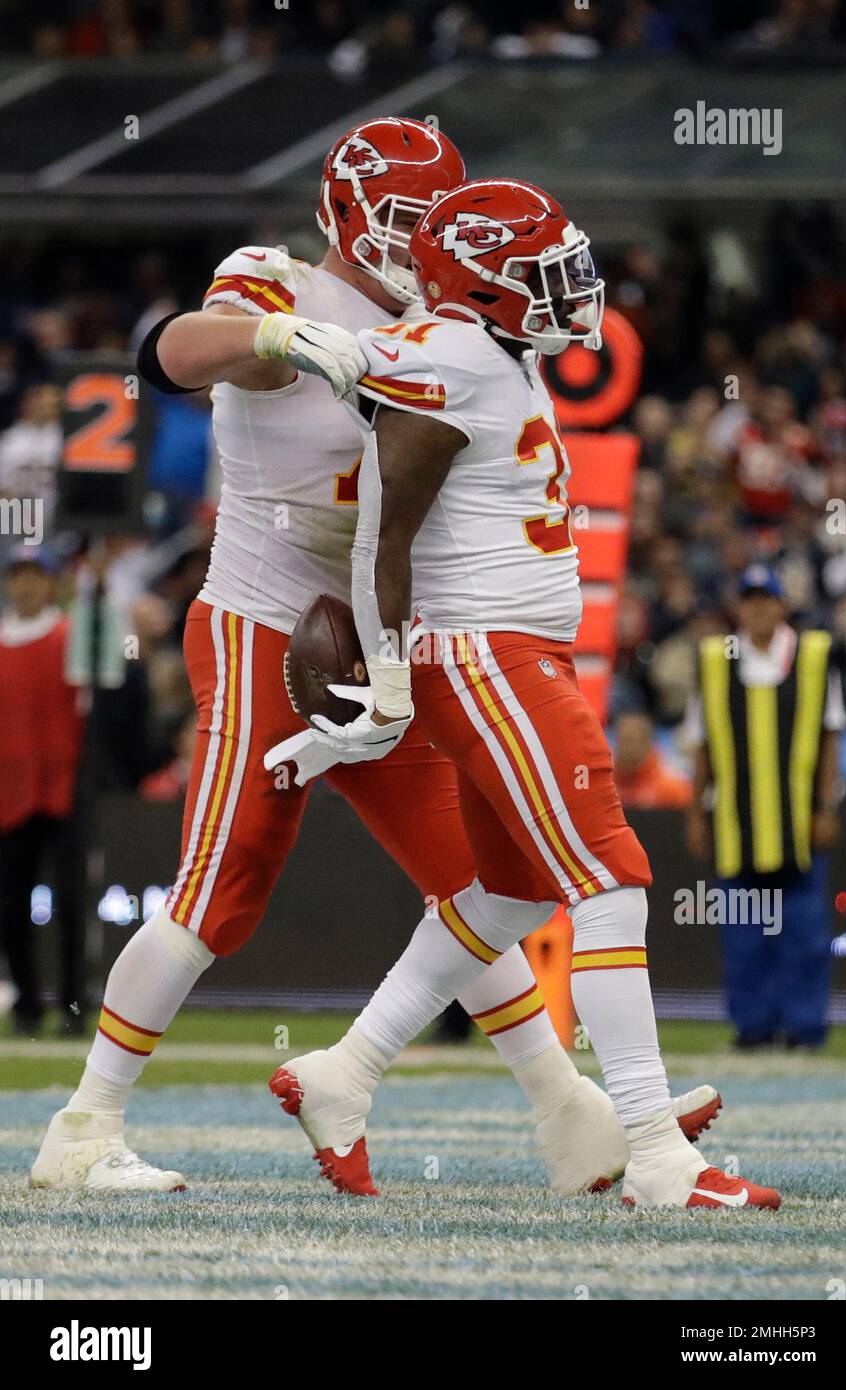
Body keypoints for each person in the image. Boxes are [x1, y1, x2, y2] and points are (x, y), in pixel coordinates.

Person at [31, 119, 714, 1195]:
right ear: (343, 213)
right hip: (269, 623)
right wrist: (271, 341)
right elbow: (165, 353)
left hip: (386, 633)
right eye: (395, 220)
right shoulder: (277, 281)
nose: (408, 242)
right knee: (227, 876)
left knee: (480, 876)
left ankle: (566, 1110)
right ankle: (82, 1124)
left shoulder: (453, 321)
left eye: (425, 222)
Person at [269, 177, 776, 1210]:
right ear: (480, 286)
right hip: (486, 655)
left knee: (501, 894)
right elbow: (381, 494)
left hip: (506, 652)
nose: (569, 289)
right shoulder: (450, 351)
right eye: (543, 274)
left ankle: (344, 1071)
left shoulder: (480, 349)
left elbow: (383, 361)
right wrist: (300, 332)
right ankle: (655, 1152)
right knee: (611, 877)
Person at [684, 564, 845, 1049]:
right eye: (749, 598)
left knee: (805, 935)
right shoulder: (715, 661)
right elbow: (701, 745)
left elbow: (830, 738)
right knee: (743, 936)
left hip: (797, 824)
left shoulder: (813, 658)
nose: (758, 607)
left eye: (766, 598)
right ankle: (752, 1027)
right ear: (740, 606)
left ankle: (804, 1028)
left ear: (781, 605)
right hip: (735, 821)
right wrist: (695, 813)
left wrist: (826, 808)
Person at [0, 545, 85, 1035]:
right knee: (11, 906)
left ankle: (74, 1004)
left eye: (36, 576)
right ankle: (27, 1004)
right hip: (11, 793)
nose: (27, 586)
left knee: (72, 904)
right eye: (19, 576)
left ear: (51, 583)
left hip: (62, 787)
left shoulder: (70, 636)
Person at [613, 711, 691, 809]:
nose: (628, 748)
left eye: (633, 741)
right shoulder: (606, 787)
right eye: (623, 741)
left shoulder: (673, 790)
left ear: (648, 743)